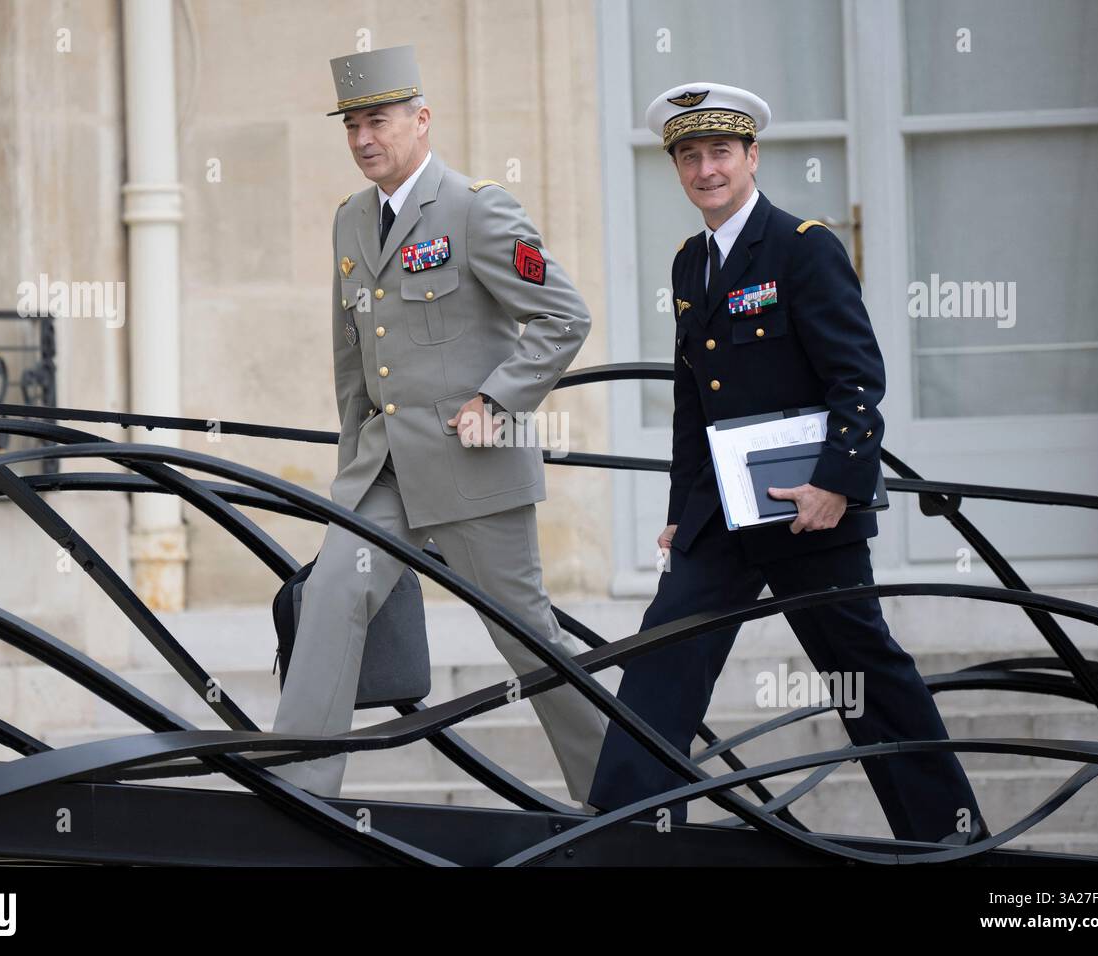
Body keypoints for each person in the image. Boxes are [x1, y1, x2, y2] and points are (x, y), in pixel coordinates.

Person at [587, 82, 990, 844]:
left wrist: (838, 485)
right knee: (662, 652)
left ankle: (951, 834)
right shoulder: (689, 264)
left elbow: (858, 379)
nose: (706, 169)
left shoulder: (804, 246)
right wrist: (679, 511)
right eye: (689, 156)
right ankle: (627, 829)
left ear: (751, 156)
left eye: (719, 153)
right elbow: (690, 402)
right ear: (676, 168)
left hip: (809, 510)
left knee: (864, 674)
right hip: (721, 514)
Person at [271, 45, 606, 805]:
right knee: (331, 596)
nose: (363, 138)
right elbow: (351, 357)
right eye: (351, 124)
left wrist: (499, 401)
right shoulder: (350, 221)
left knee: (527, 640)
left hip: (472, 468)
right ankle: (302, 791)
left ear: (421, 120)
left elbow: (564, 317)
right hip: (384, 470)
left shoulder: (477, 207)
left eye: (377, 120)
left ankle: (618, 790)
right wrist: (352, 460)